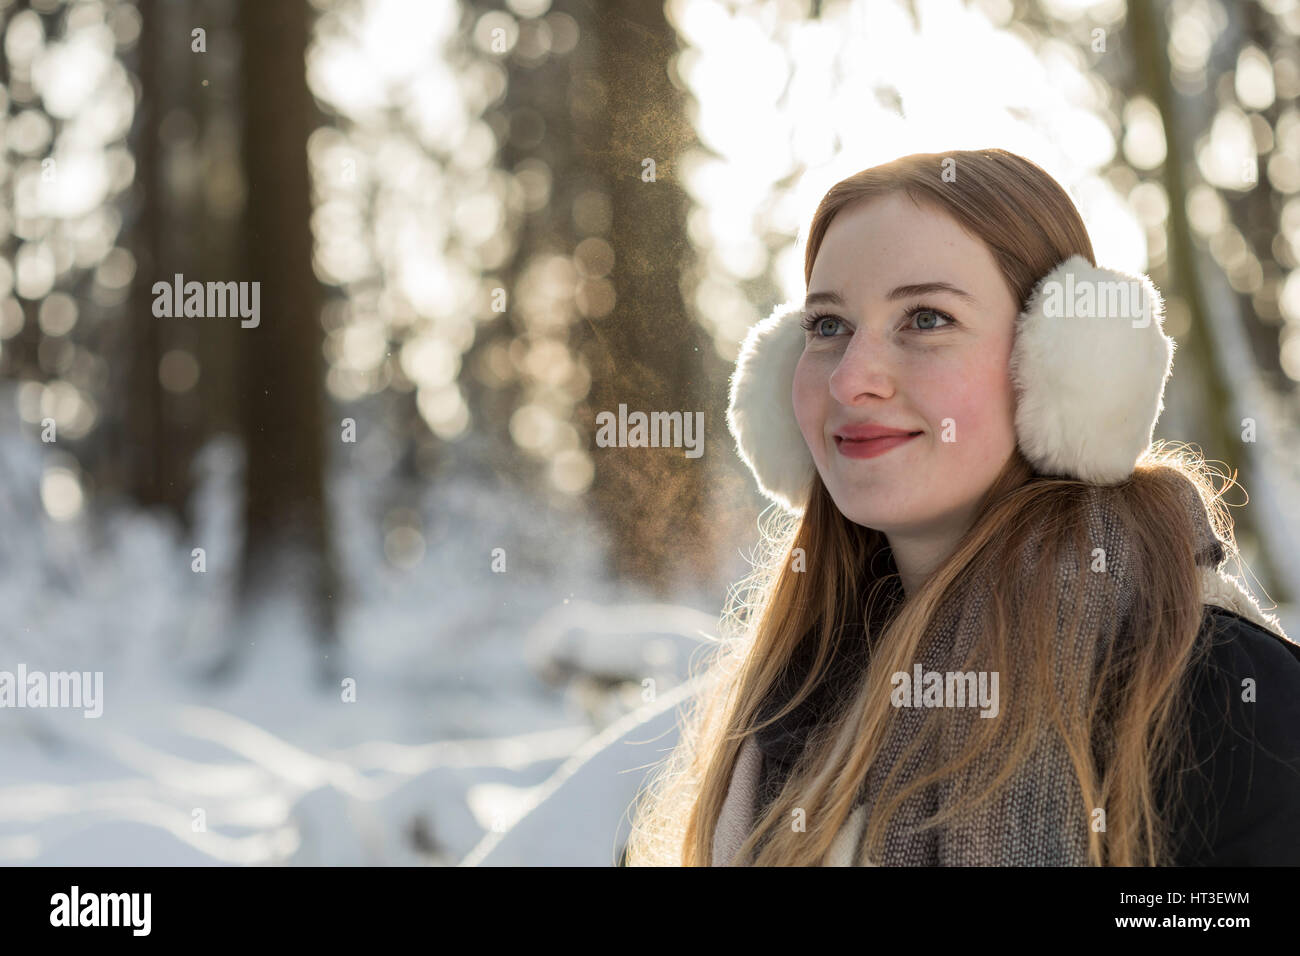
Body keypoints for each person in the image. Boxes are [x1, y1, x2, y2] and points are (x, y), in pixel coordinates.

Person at [623, 148, 1300, 866]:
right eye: (827, 326)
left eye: (925, 317)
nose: (853, 379)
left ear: (1065, 363)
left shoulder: (1226, 702)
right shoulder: (781, 706)